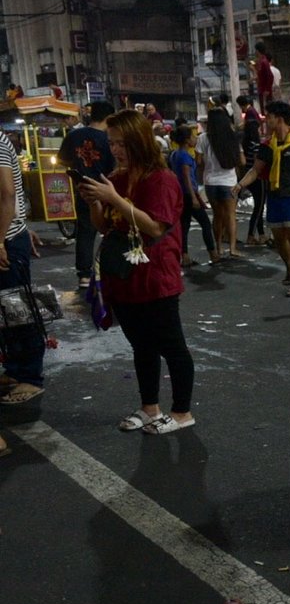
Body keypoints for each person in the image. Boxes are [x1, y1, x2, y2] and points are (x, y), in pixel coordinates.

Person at [78, 109, 195, 434]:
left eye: (121, 143)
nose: (115, 150)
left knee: (171, 345)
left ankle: (183, 412)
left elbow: (155, 227)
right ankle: (149, 408)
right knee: (141, 345)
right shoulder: (116, 177)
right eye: (112, 143)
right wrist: (95, 202)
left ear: (139, 141)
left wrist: (113, 197)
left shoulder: (162, 180)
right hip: (122, 276)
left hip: (155, 276)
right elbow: (105, 227)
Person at [233, 101, 290, 297]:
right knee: (280, 240)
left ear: (278, 119)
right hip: (274, 197)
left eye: (268, 116)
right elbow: (256, 170)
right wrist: (240, 184)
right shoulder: (267, 146)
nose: (266, 120)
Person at [0, 131, 46, 405]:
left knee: (16, 310)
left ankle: (30, 376)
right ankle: (17, 370)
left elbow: (6, 194)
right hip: (9, 236)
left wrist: (0, 241)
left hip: (5, 240)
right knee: (7, 311)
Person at [60, 100, 116, 288]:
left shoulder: (74, 135)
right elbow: (115, 166)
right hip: (108, 189)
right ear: (109, 117)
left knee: (85, 232)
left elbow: (63, 160)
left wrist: (79, 168)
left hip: (83, 188)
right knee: (113, 230)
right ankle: (112, 270)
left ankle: (84, 275)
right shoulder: (109, 140)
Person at [196, 107, 243, 259]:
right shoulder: (231, 136)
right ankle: (232, 248)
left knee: (217, 216)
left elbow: (198, 161)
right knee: (230, 215)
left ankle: (217, 247)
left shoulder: (203, 138)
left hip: (210, 182)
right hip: (229, 181)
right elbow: (241, 160)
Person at [167, 125, 218, 266]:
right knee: (205, 223)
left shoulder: (174, 154)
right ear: (187, 139)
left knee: (184, 225)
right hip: (188, 194)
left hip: (181, 194)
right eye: (193, 136)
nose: (196, 139)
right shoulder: (184, 156)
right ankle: (213, 254)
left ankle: (185, 256)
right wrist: (194, 197)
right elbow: (187, 178)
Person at [236, 95, 266, 246]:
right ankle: (251, 235)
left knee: (258, 206)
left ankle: (261, 235)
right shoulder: (255, 143)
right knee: (259, 207)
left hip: (247, 174)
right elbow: (256, 162)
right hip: (256, 176)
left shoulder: (244, 141)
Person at [255, 41, 274, 112]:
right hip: (262, 90)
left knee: (266, 111)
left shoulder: (264, 62)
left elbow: (270, 76)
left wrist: (267, 90)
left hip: (264, 92)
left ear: (257, 50)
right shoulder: (261, 61)